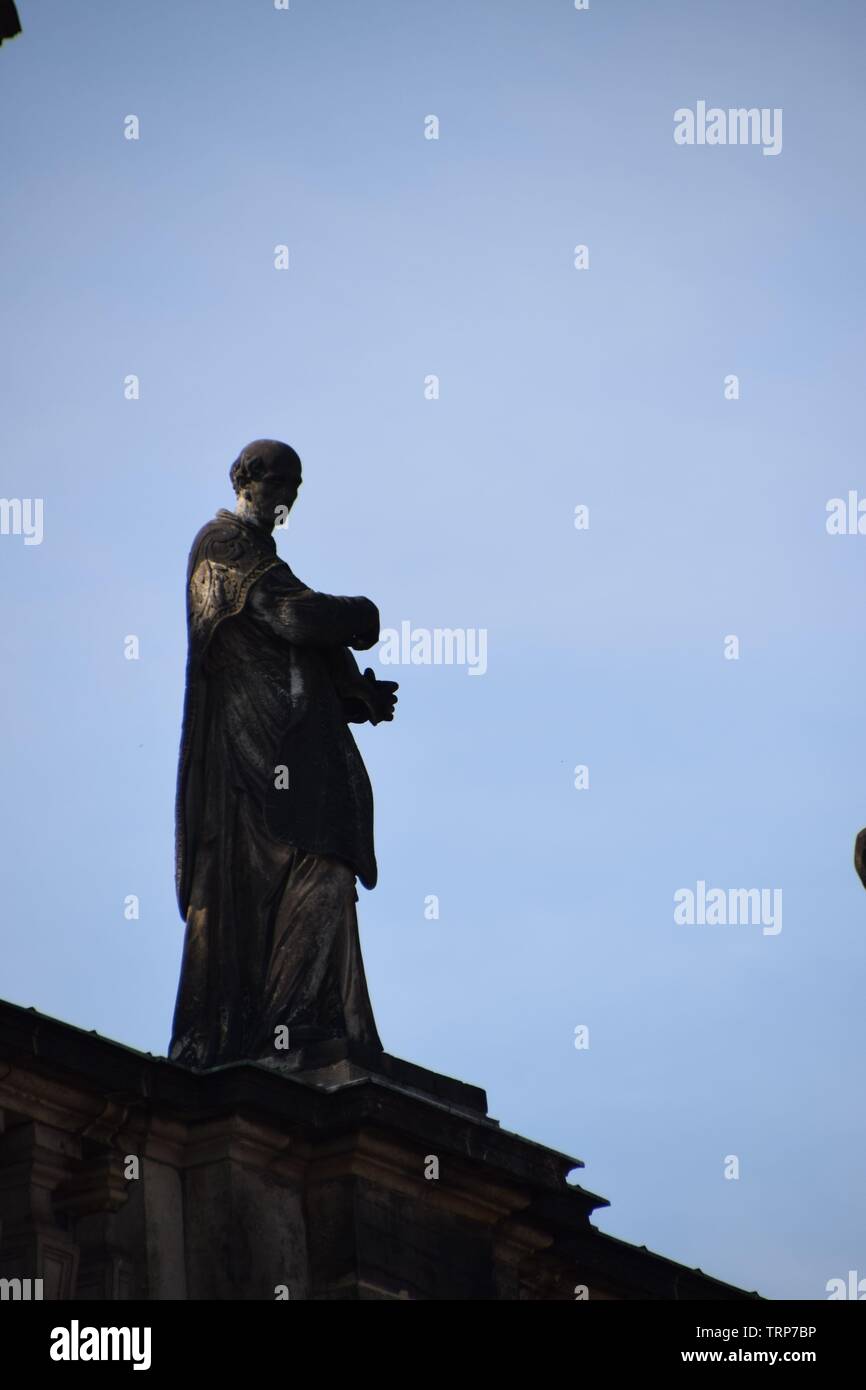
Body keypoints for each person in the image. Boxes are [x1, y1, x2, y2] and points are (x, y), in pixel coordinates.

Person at [169, 439, 397, 1068]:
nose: (287, 497)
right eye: (279, 483)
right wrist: (362, 614)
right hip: (257, 761)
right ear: (246, 480)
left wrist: (354, 690)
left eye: (294, 486)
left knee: (323, 865)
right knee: (317, 863)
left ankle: (306, 1018)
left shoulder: (262, 557)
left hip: (289, 751)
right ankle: (287, 1022)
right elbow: (291, 618)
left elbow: (296, 643)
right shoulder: (223, 546)